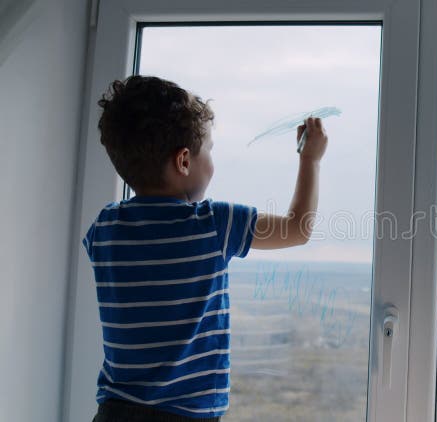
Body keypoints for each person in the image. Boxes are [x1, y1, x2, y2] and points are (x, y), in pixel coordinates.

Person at [83, 75, 327, 421]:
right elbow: (298, 228)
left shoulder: (104, 229)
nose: (212, 159)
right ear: (184, 161)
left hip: (114, 412)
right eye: (209, 149)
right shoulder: (212, 223)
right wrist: (311, 160)